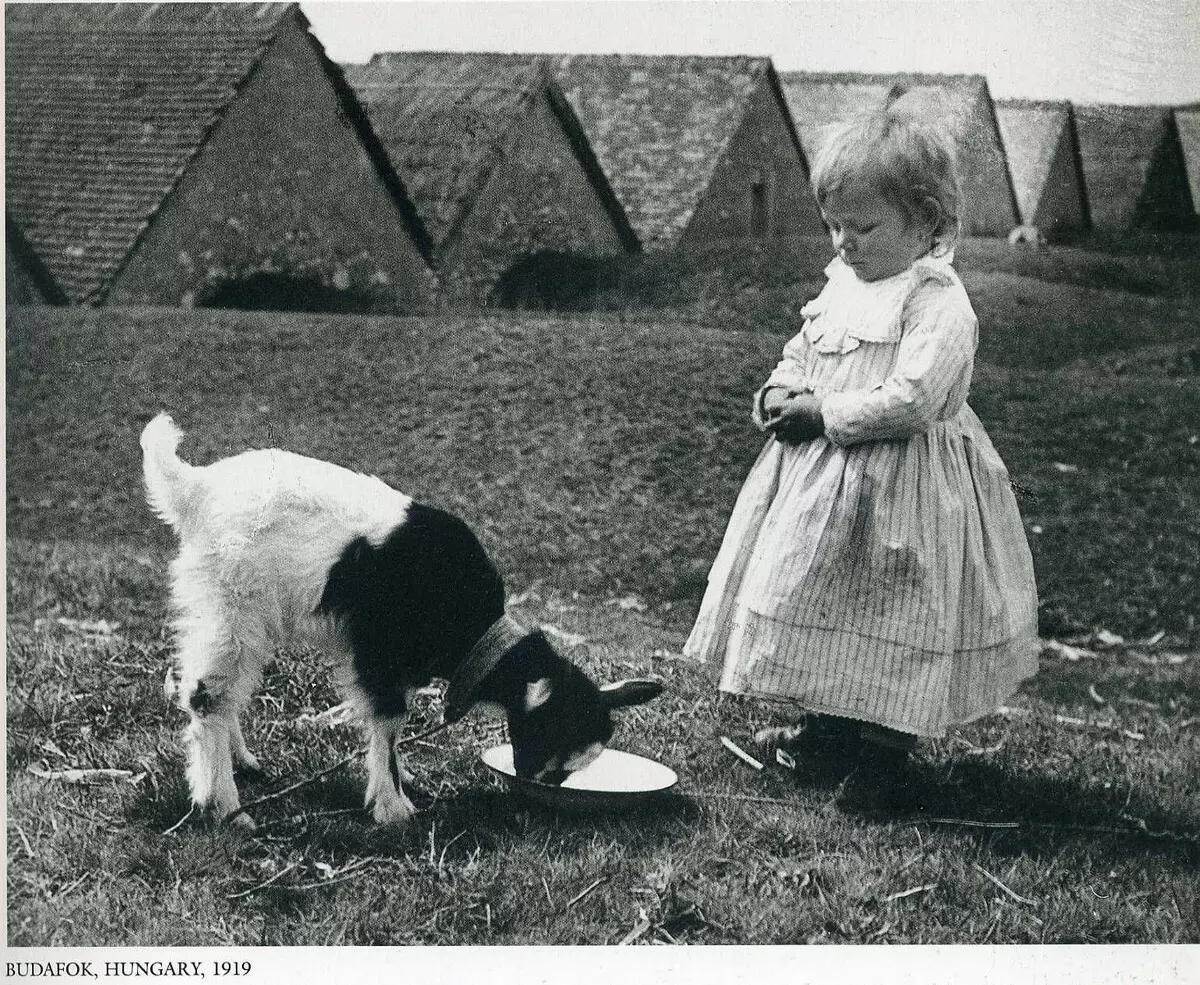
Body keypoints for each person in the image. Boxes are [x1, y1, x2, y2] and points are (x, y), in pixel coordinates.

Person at [684, 88, 1039, 810]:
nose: (844, 243)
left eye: (864, 227)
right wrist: (783, 393)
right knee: (821, 592)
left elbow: (916, 397)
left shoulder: (936, 303)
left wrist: (826, 413)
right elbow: (803, 348)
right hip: (823, 484)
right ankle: (827, 728)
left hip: (904, 484)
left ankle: (883, 756)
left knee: (893, 606)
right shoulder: (842, 284)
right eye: (833, 226)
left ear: (926, 223)